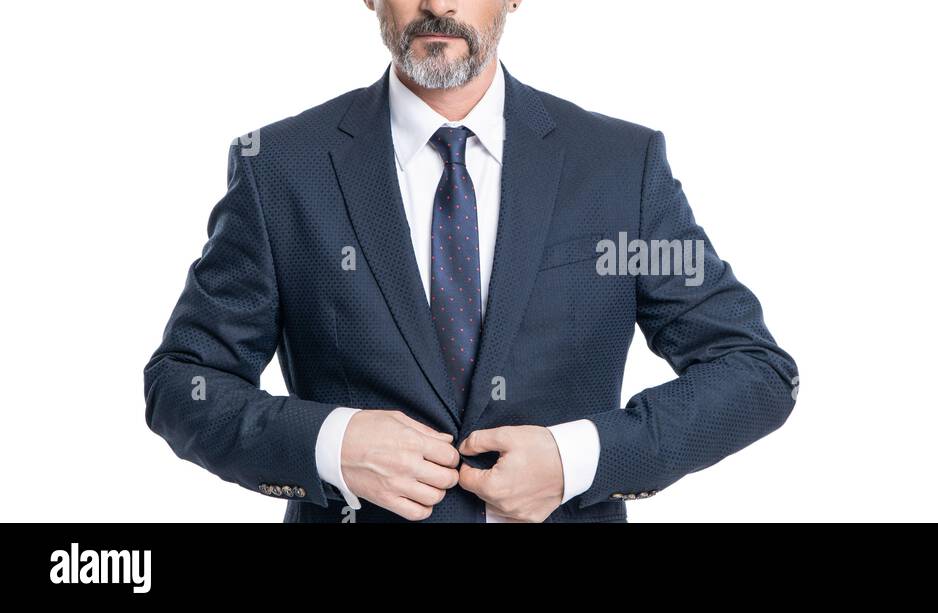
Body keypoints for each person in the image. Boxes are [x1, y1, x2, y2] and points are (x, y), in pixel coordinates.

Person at [144, 0, 798, 523]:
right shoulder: (283, 169)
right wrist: (330, 443)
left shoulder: (620, 167)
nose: (437, 4)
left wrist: (578, 458)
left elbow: (753, 370)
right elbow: (182, 383)